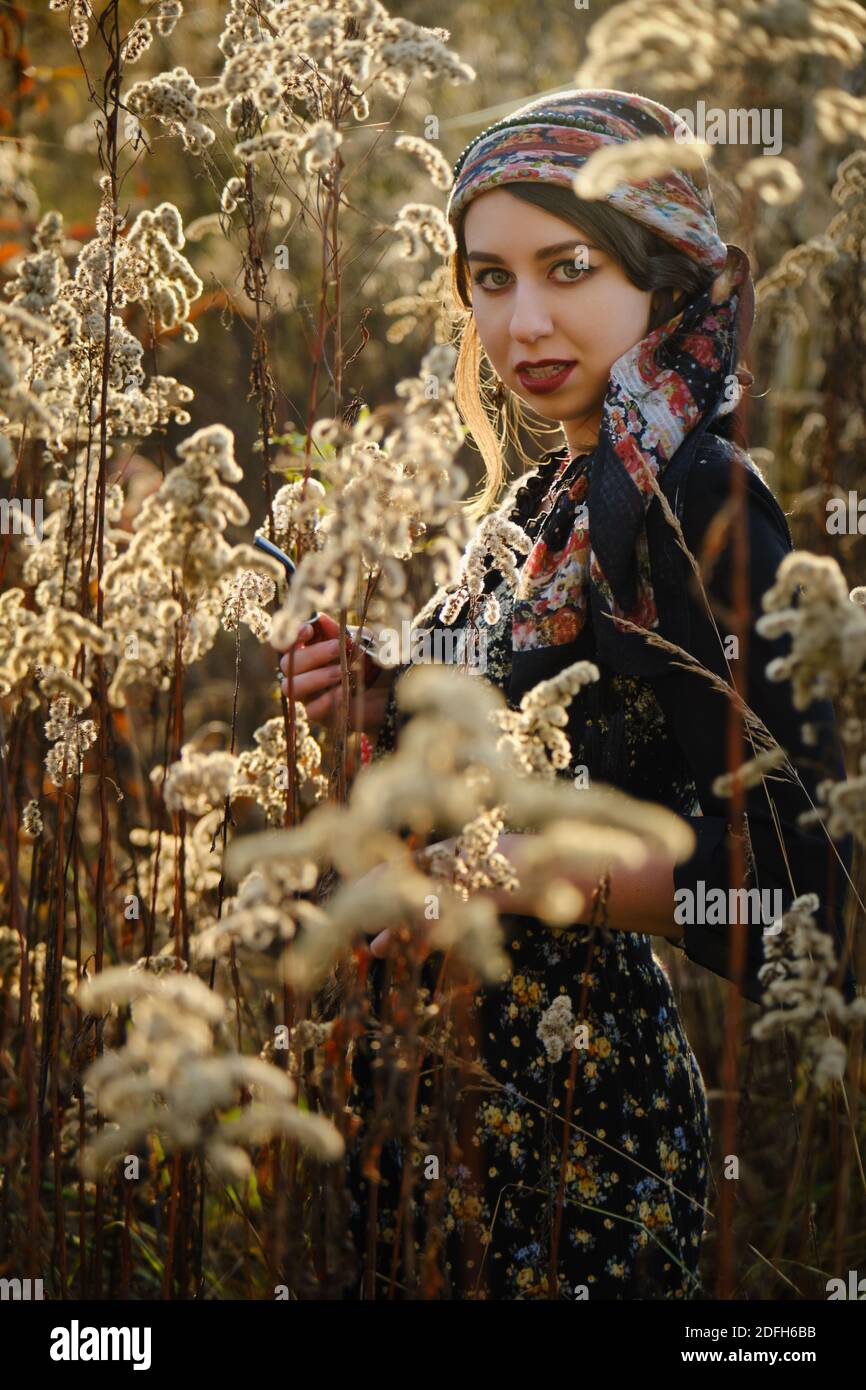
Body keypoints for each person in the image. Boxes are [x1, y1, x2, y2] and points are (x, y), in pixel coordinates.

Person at [272, 89, 856, 1299]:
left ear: (664, 269)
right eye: (488, 278)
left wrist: (503, 880)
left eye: (567, 266)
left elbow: (803, 891)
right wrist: (389, 698)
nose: (522, 319)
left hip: (583, 1147)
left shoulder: (698, 500)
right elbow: (530, 745)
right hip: (436, 1123)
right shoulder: (546, 506)